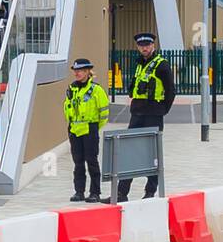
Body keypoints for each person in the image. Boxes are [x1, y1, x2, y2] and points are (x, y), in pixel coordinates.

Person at [114, 33, 176, 202]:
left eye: (147, 45)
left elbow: (171, 90)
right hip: (137, 114)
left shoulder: (161, 65)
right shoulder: (139, 64)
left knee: (152, 154)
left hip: (153, 115)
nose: (144, 48)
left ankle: (150, 192)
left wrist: (162, 110)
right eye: (141, 45)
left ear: (153, 45)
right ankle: (121, 193)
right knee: (129, 153)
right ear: (137, 47)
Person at [64, 58, 110, 203]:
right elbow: (67, 108)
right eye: (75, 71)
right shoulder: (72, 89)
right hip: (74, 129)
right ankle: (79, 191)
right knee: (78, 162)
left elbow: (104, 113)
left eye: (80, 71)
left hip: (90, 129)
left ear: (87, 72)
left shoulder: (96, 90)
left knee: (92, 161)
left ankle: (95, 192)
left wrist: (94, 127)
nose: (77, 73)